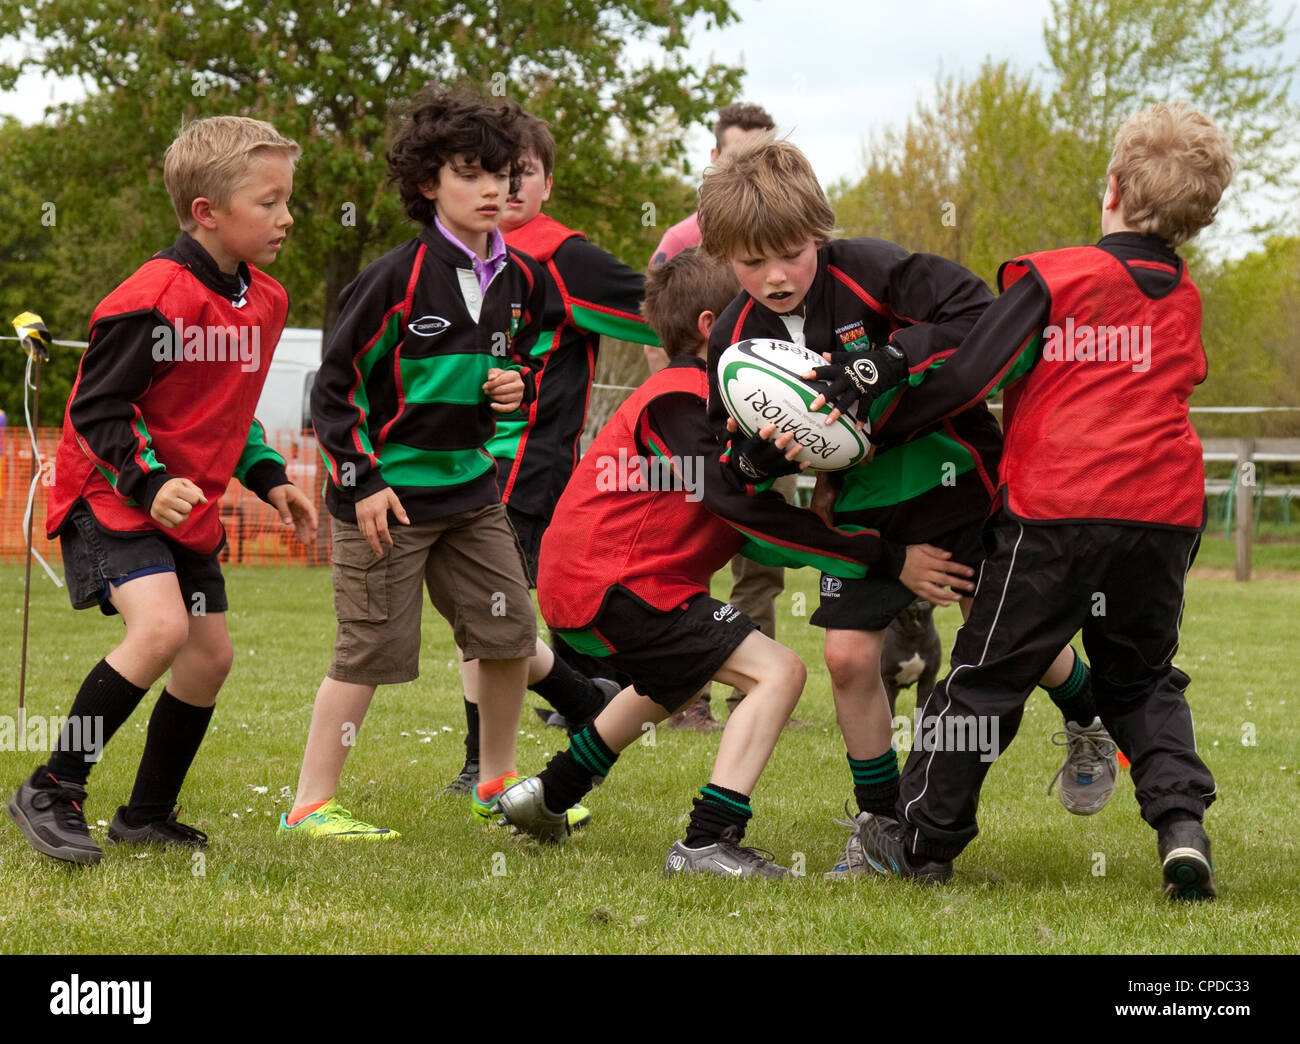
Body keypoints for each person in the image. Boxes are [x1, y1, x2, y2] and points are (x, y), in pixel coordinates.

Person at [851, 102, 1234, 900]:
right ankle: (1180, 826)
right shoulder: (1185, 298)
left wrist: (872, 430)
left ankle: (921, 843)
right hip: (1164, 515)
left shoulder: (1056, 274)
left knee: (987, 678)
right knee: (1141, 679)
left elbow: (966, 378)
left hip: (1057, 511)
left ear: (1113, 189)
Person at [494, 248, 972, 876]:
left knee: (665, 685)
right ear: (713, 326)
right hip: (617, 583)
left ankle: (547, 797)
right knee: (778, 673)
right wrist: (883, 558)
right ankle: (706, 842)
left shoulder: (705, 404)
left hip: (596, 585)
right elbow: (740, 510)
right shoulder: (683, 398)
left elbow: (750, 530)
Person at [696, 137, 1091, 880]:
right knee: (847, 656)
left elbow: (983, 314)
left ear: (818, 230)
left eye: (789, 252)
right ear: (722, 255)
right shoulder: (731, 340)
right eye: (751, 262)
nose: (775, 277)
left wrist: (887, 359)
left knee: (1006, 637)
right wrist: (756, 459)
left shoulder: (875, 270)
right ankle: (882, 826)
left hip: (954, 484)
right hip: (864, 511)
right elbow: (726, 464)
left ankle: (1087, 711)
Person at [8, 116, 315, 864]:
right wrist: (149, 483)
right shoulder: (151, 298)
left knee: (209, 657)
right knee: (161, 631)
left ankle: (145, 816)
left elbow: (227, 411)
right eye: (268, 202)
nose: (287, 216)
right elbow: (95, 409)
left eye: (288, 200)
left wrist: (270, 479)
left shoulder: (266, 302)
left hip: (188, 510)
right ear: (206, 211)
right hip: (112, 496)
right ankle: (52, 786)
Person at [279, 88, 546, 840]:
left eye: (504, 173)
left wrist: (513, 384)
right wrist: (362, 480)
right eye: (471, 173)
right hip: (385, 501)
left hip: (472, 494)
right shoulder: (393, 278)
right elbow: (334, 390)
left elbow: (519, 367)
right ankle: (309, 806)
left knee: (509, 635)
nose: (494, 188)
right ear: (429, 183)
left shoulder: (519, 280)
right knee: (367, 655)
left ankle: (495, 784)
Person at [442, 114, 659, 794]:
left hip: (520, 469)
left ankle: (494, 759)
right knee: (481, 617)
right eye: (488, 173)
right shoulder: (454, 253)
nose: (504, 187)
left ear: (546, 183)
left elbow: (671, 310)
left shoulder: (564, 257)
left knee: (490, 615)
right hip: (455, 462)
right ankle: (581, 700)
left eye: (520, 173)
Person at [649, 101, 789, 730]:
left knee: (763, 557)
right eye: (739, 155)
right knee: (690, 552)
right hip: (698, 430)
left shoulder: (787, 235)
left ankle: (753, 695)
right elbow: (664, 329)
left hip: (774, 426)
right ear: (714, 160)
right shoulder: (680, 240)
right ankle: (688, 698)